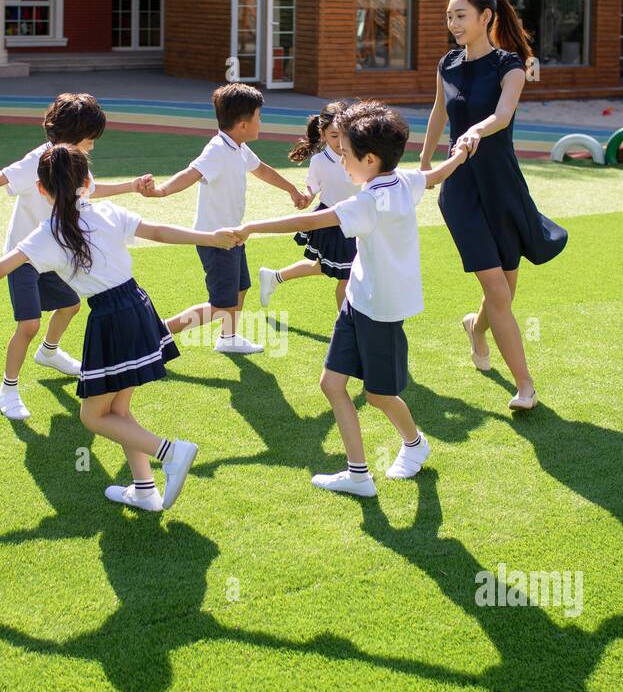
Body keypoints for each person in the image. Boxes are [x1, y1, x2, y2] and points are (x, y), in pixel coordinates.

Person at [0, 144, 240, 512]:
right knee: (117, 409)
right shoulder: (107, 213)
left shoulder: (47, 234)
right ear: (88, 182)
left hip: (111, 320)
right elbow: (160, 231)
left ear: (41, 189)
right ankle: (145, 490)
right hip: (137, 304)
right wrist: (211, 238)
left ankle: (171, 452)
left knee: (92, 415)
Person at [233, 101, 468, 497]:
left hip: (381, 308)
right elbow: (437, 174)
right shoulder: (406, 181)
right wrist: (461, 152)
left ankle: (415, 444)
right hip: (358, 300)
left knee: (378, 395)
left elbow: (308, 220)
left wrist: (252, 226)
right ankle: (358, 474)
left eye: (346, 156)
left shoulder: (368, 202)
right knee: (332, 384)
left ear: (371, 159)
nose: (342, 163)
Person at [0, 93, 150, 419]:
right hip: (24, 254)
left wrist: (132, 186)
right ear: (73, 135)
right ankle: (7, 390)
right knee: (28, 324)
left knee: (71, 304)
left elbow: (91, 190)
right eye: (90, 139)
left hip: (55, 252)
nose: (93, 146)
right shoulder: (40, 161)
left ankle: (49, 352)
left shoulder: (73, 163)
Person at [420, 0, 567, 410]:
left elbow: (502, 116)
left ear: (486, 17)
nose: (453, 23)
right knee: (498, 291)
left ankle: (475, 327)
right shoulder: (446, 64)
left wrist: (475, 130)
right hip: (461, 190)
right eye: (449, 16)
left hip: (503, 186)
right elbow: (437, 112)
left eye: (460, 15)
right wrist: (426, 162)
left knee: (504, 290)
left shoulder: (512, 66)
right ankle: (526, 387)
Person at [141, 83, 309, 354]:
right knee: (220, 304)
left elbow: (262, 170)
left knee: (241, 287)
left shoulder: (238, 147)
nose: (261, 123)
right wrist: (160, 191)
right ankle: (158, 329)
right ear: (243, 125)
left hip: (234, 236)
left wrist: (291, 189)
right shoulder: (217, 149)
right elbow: (191, 172)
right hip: (215, 240)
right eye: (258, 117)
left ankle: (228, 338)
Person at [258, 99, 359, 311]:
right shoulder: (320, 161)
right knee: (348, 275)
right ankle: (346, 326)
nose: (340, 141)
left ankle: (274, 277)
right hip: (332, 222)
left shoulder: (361, 153)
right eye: (334, 135)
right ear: (322, 134)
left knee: (323, 266)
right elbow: (311, 189)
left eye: (345, 133)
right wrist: (304, 198)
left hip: (360, 219)